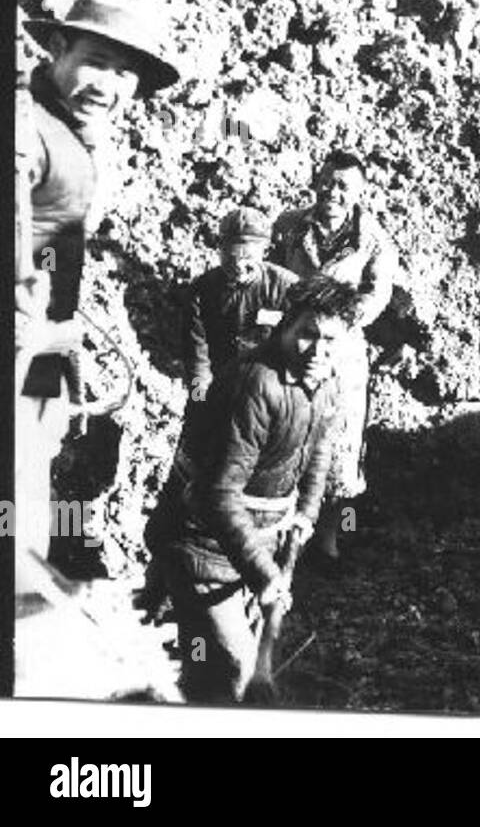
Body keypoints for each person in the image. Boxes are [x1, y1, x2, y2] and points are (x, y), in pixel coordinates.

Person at [15, 0, 178, 575]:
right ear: (57, 47)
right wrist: (41, 333)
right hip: (20, 348)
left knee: (41, 471)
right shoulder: (26, 132)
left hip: (41, 346)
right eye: (96, 63)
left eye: (124, 73)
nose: (107, 86)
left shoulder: (76, 136)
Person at [144, 275, 360, 703]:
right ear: (285, 327)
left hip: (251, 544)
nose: (319, 351)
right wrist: (264, 573)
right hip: (202, 547)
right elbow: (216, 494)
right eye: (308, 335)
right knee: (236, 674)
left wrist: (307, 514)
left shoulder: (324, 380)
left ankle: (193, 665)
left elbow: (318, 450)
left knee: (217, 666)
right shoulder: (256, 384)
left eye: (332, 341)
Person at [270, 150, 398, 570]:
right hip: (293, 344)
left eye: (343, 185)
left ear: (359, 192)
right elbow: (270, 277)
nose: (332, 191)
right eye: (326, 181)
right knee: (286, 429)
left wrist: (339, 317)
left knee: (340, 446)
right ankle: (278, 528)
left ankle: (332, 536)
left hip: (342, 352)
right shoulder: (290, 226)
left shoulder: (374, 239)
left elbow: (377, 294)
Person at [184, 206, 299, 406]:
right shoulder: (201, 291)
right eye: (230, 259)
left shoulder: (288, 288)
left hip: (271, 390)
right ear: (219, 250)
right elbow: (196, 358)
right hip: (220, 385)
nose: (238, 268)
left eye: (247, 260)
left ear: (265, 252)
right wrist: (198, 397)